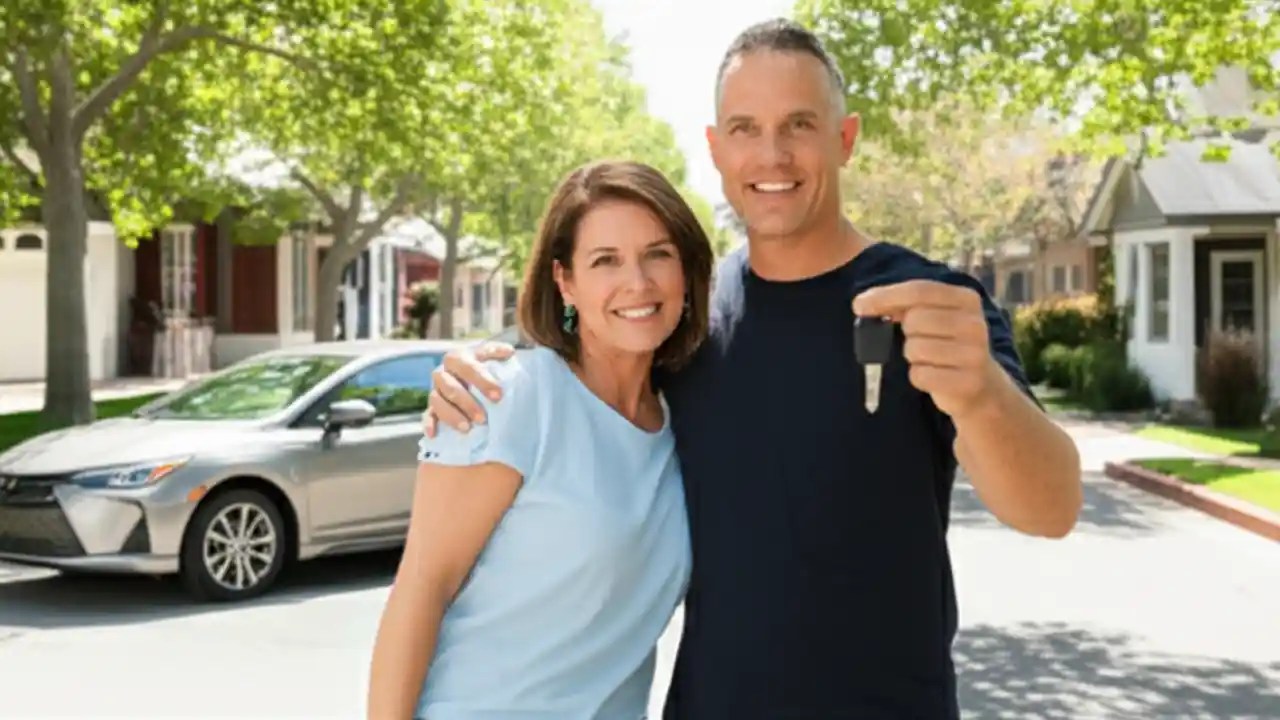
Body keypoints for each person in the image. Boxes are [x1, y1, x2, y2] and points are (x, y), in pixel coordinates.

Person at [422, 19, 1083, 719]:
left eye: (799, 123)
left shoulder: (930, 304)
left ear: (845, 137)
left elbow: (1051, 508)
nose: (772, 154)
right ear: (715, 148)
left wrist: (979, 395)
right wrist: (479, 367)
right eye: (745, 128)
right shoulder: (689, 318)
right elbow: (585, 374)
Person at [366, 159, 714, 719]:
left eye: (658, 254)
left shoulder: (690, 421)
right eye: (606, 260)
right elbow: (421, 590)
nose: (639, 282)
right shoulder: (510, 398)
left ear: (687, 270)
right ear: (565, 283)